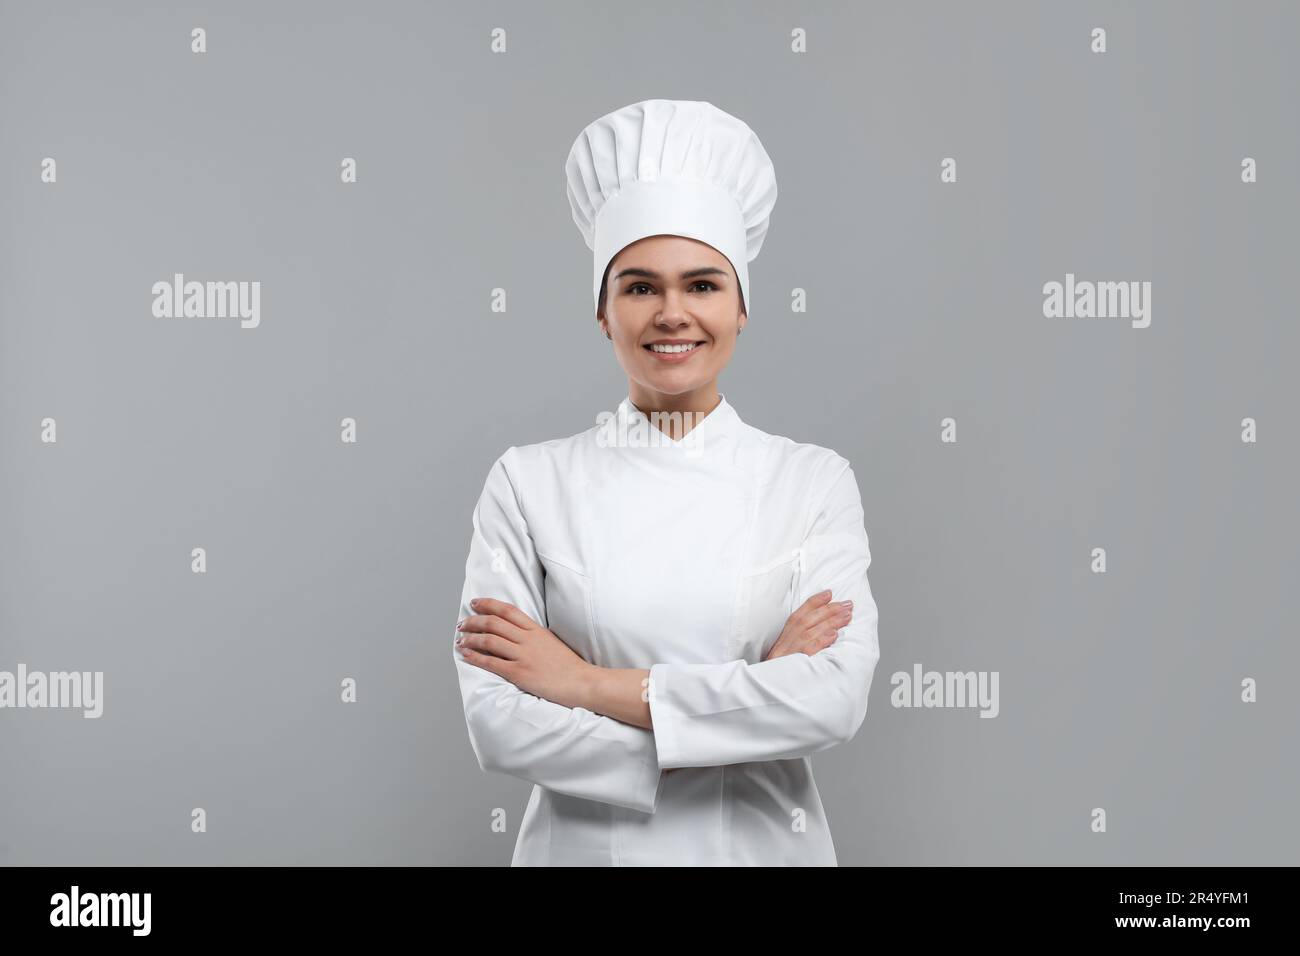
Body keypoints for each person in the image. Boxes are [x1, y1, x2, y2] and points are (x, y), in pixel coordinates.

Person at [452, 99, 882, 866]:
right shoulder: (528, 482)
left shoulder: (811, 482)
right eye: (641, 287)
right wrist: (749, 700)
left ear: (743, 308)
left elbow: (833, 701)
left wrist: (582, 684)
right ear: (603, 311)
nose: (672, 314)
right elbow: (497, 720)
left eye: (704, 285)